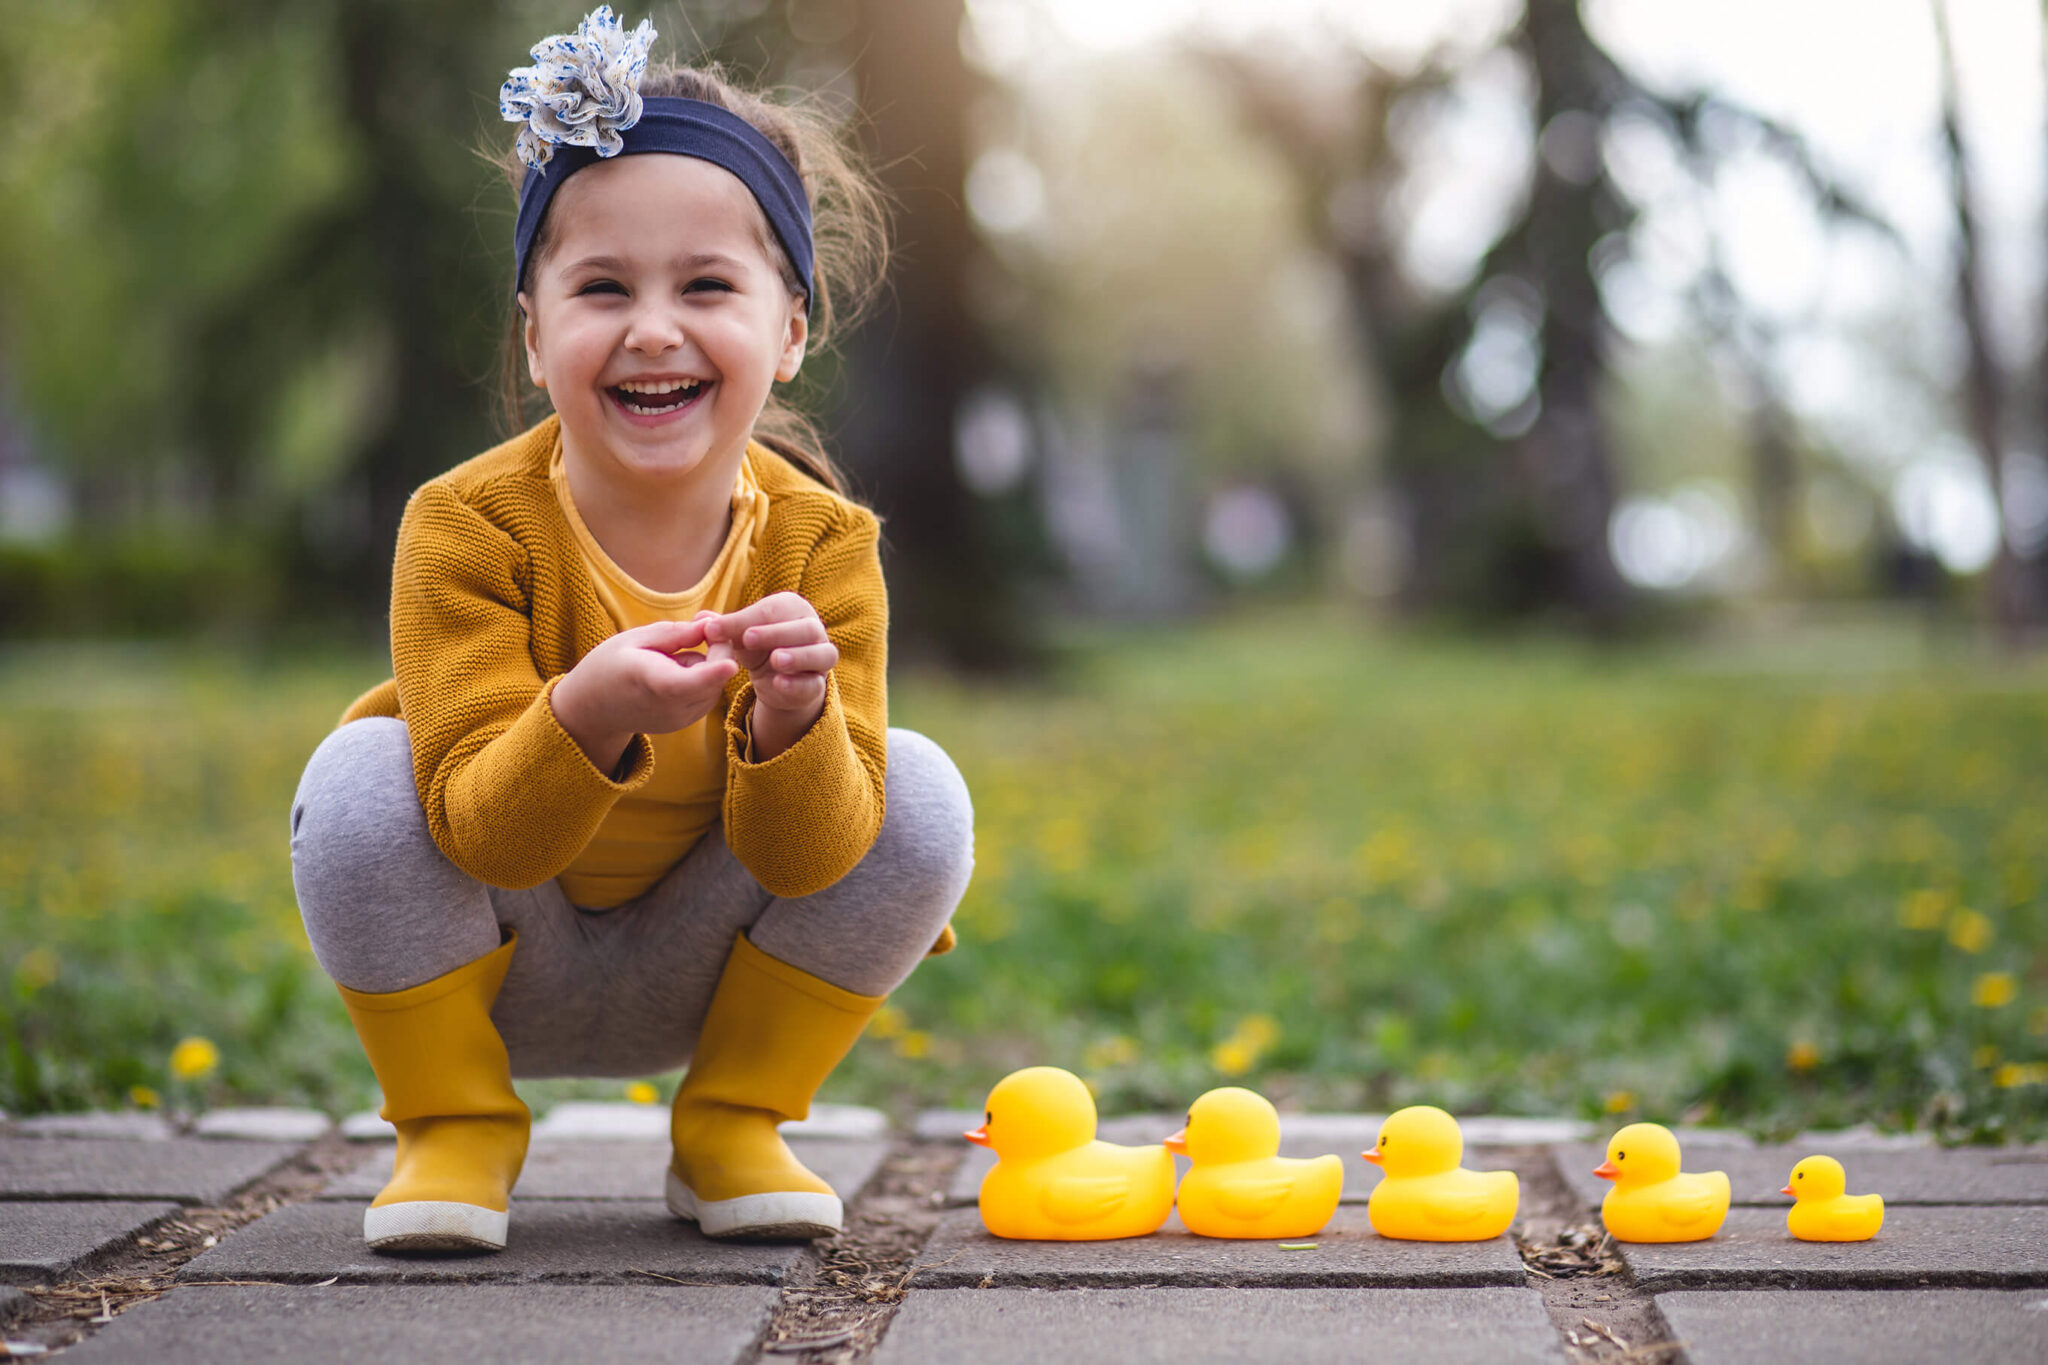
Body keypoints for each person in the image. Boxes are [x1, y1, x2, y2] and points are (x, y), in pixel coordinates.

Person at [288, 7, 973, 1255]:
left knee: (915, 792)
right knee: (354, 781)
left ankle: (735, 1121)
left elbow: (816, 862)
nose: (652, 326)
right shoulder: (465, 527)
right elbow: (481, 834)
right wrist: (587, 710)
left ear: (790, 329)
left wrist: (793, 723)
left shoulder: (825, 550)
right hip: (499, 953)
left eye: (706, 285)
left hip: (710, 967)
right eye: (601, 288)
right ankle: (453, 1124)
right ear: (537, 337)